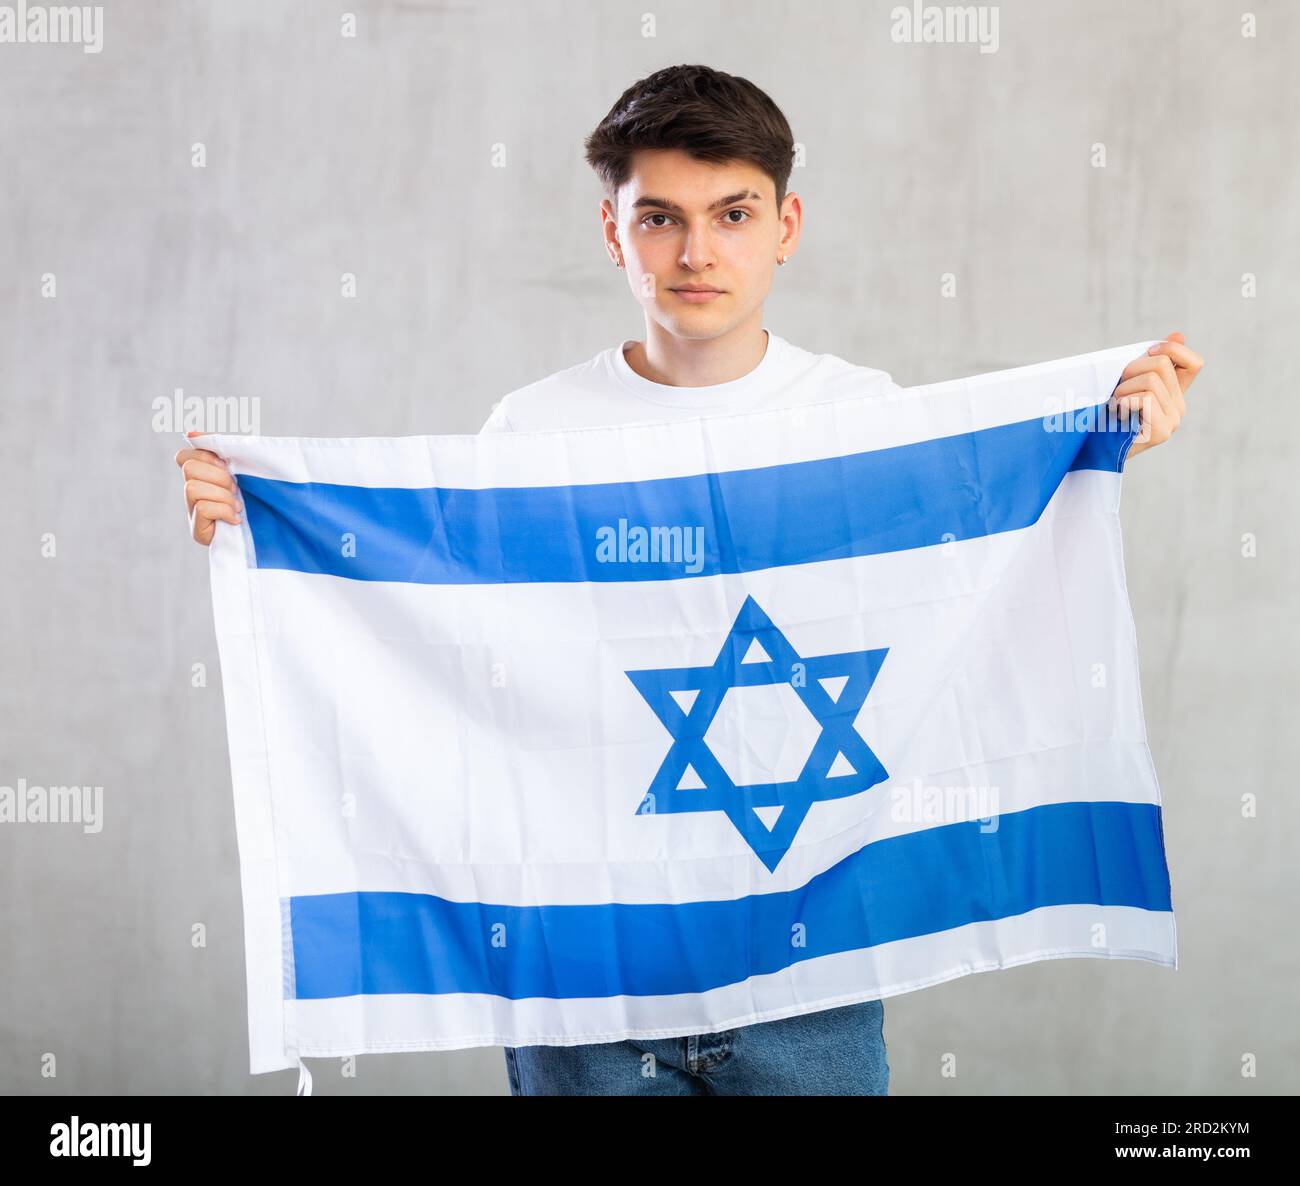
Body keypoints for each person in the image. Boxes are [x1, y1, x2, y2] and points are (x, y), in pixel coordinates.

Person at [173, 64, 1203, 1095]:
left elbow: (974, 573)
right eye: (659, 217)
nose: (696, 252)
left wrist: (1095, 439)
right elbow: (436, 645)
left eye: (732, 214)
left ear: (786, 224)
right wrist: (270, 534)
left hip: (808, 985)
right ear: (612, 231)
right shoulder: (534, 435)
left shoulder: (866, 421)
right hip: (586, 988)